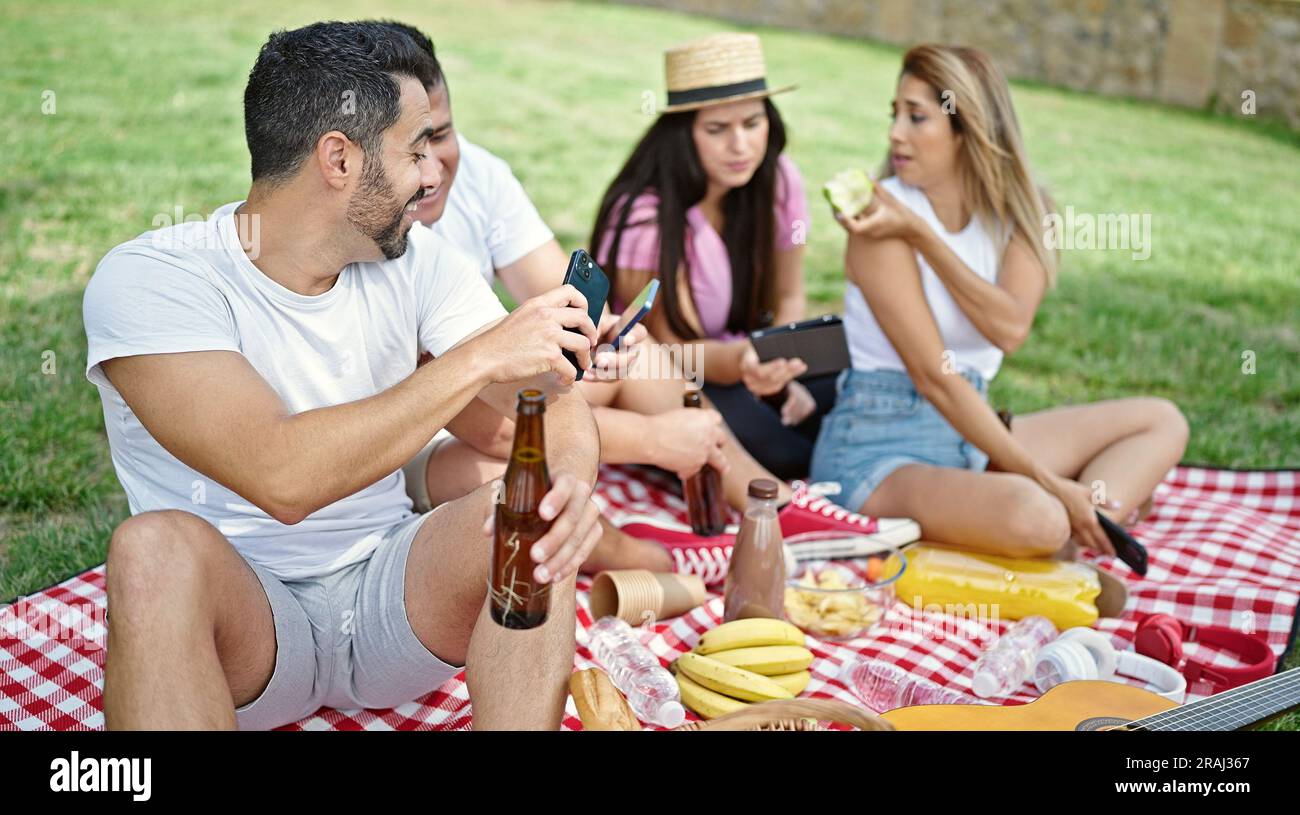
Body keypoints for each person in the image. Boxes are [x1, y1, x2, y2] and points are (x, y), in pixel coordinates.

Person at [83, 22, 603, 730]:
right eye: (416, 149)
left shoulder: (416, 260)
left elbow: (553, 402)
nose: (433, 173)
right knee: (149, 550)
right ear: (339, 158)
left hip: (390, 600)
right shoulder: (152, 279)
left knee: (533, 510)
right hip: (247, 627)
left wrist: (567, 483)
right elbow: (284, 476)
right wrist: (480, 355)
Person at [373, 22, 876, 583]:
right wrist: (653, 440)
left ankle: (774, 505)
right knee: (516, 480)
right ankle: (650, 557)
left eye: (442, 135)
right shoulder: (388, 235)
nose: (435, 169)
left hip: (510, 401)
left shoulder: (480, 178)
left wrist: (608, 333)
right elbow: (482, 423)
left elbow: (562, 298)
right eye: (415, 147)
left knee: (637, 354)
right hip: (429, 439)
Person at [812, 44, 1189, 560]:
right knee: (1038, 514)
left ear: (968, 126)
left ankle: (1081, 524)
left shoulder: (1024, 215)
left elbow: (1008, 327)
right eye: (894, 114)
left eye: (916, 117)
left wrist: (925, 237)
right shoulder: (879, 221)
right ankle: (1063, 530)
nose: (895, 132)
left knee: (1162, 420)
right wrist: (1047, 482)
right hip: (879, 450)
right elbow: (935, 378)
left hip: (976, 438)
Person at [591, 32, 833, 482]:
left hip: (751, 361)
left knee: (853, 386)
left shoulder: (777, 180)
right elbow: (673, 353)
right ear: (683, 135)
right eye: (717, 130)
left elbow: (789, 293)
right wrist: (747, 361)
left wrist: (781, 367)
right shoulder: (647, 218)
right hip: (678, 379)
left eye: (752, 123)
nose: (740, 146)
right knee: (784, 453)